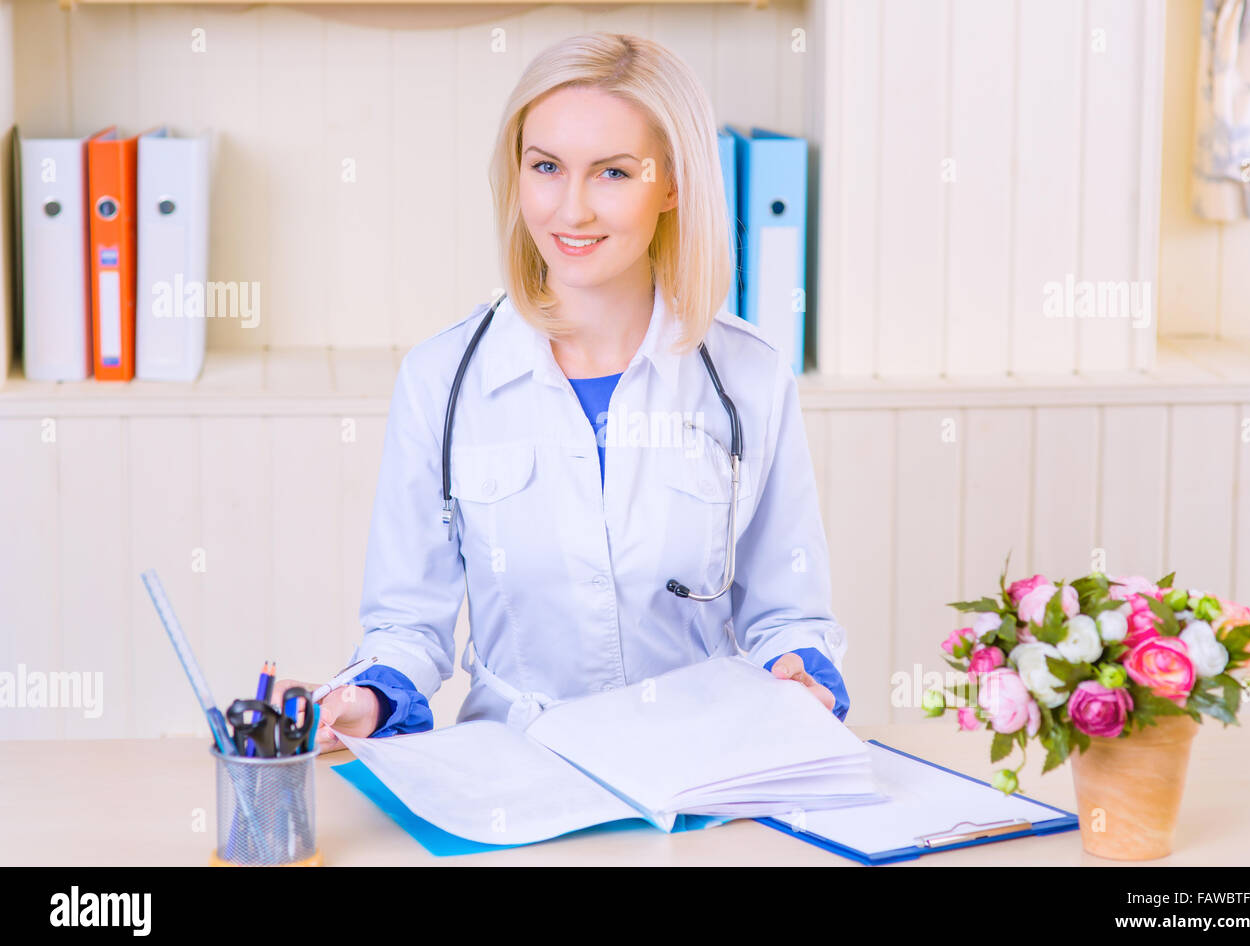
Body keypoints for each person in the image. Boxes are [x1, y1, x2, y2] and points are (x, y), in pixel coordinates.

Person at [279, 32, 849, 752]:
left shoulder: (750, 378)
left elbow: (789, 617)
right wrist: (360, 697)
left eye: (612, 173)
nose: (570, 209)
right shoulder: (440, 380)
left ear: (673, 184)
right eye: (546, 166)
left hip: (698, 765)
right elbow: (406, 631)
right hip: (515, 772)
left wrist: (799, 675)